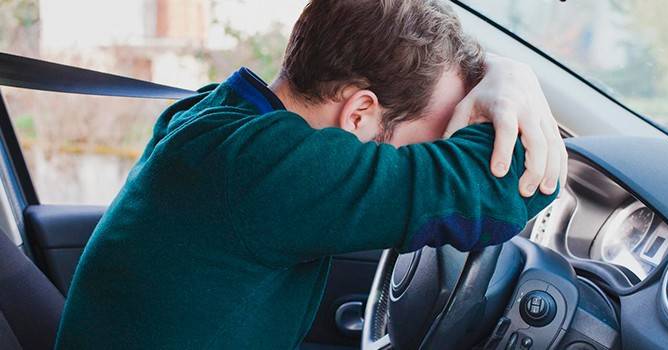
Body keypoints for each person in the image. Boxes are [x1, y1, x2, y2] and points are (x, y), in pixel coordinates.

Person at [55, 0, 565, 349]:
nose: (437, 155)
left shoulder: (220, 119)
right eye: (433, 142)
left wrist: (498, 71)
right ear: (361, 112)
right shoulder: (268, 169)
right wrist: (514, 77)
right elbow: (505, 189)